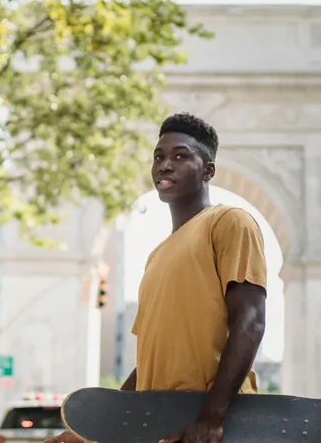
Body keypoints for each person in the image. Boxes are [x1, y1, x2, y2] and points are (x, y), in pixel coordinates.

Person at [46, 113, 267, 443]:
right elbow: (147, 363)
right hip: (161, 427)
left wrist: (211, 416)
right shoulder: (156, 257)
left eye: (181, 156)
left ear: (208, 170)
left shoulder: (230, 222)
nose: (165, 165)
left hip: (212, 426)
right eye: (159, 157)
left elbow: (250, 320)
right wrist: (97, 430)